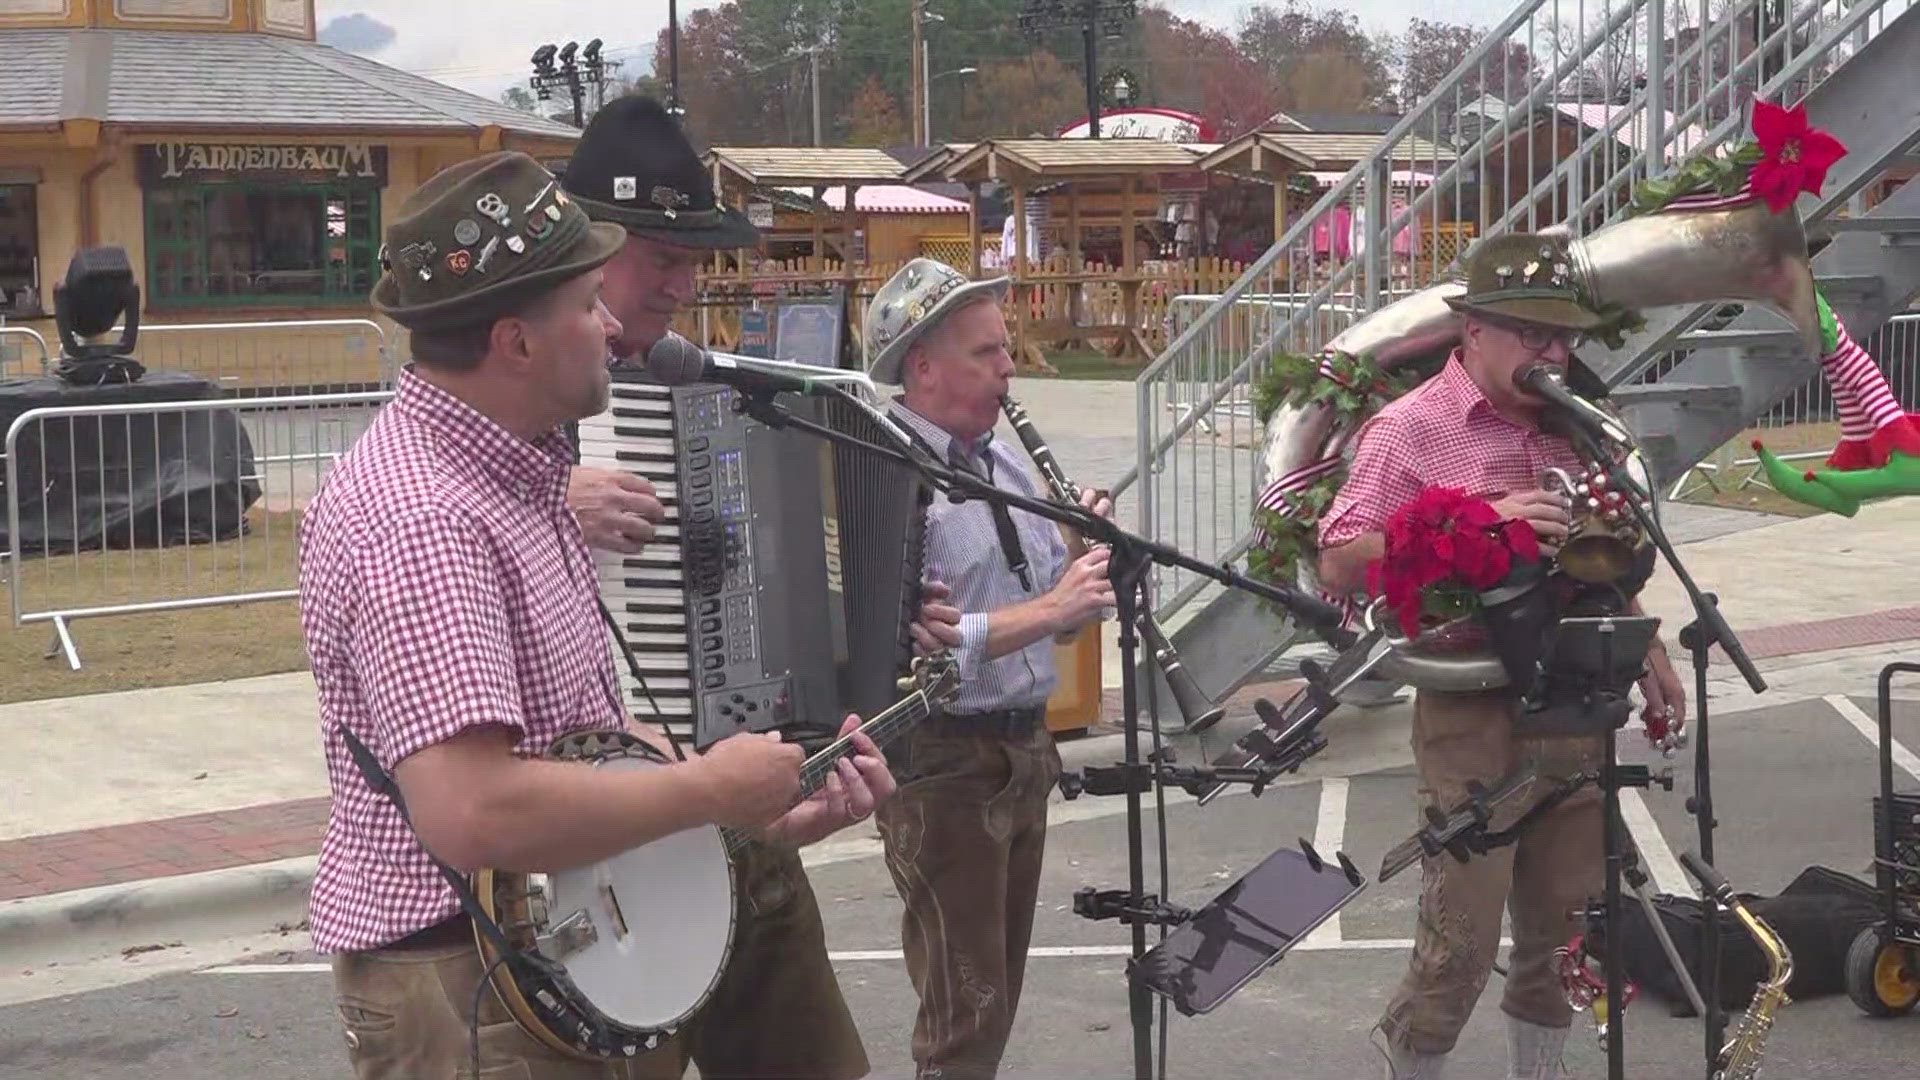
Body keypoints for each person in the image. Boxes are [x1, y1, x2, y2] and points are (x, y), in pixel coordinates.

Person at [301, 150, 898, 1080]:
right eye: (588, 303)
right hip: (471, 980)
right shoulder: (422, 519)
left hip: (556, 945)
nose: (613, 325)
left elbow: (568, 742)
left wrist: (746, 799)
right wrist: (706, 794)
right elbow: (474, 808)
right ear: (517, 343)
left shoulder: (510, 474)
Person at [555, 94, 964, 1080]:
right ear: (587, 249)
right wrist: (551, 496)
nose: (681, 285)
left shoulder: (705, 384)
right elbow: (403, 509)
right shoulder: (513, 390)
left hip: (740, 826)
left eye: (693, 261)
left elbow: (763, 580)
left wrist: (875, 619)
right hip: (605, 844)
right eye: (662, 258)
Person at [1315, 233, 1688, 1080]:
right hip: (1471, 707)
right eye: (1532, 333)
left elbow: (1596, 556)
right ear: (1473, 330)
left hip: (1573, 696)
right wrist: (1479, 522)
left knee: (1569, 930)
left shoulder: (1571, 423)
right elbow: (1337, 558)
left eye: (1563, 338)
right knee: (1460, 939)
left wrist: (1647, 644)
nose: (1552, 355)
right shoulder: (1409, 429)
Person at [863, 256, 1116, 1080]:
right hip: (945, 759)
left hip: (1022, 749)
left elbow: (1049, 608)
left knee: (994, 999)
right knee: (962, 1012)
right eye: (987, 352)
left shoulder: (1001, 461)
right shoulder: (888, 474)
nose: (1010, 369)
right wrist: (1052, 609)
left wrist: (1080, 550)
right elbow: (917, 647)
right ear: (923, 367)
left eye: (1005, 348)